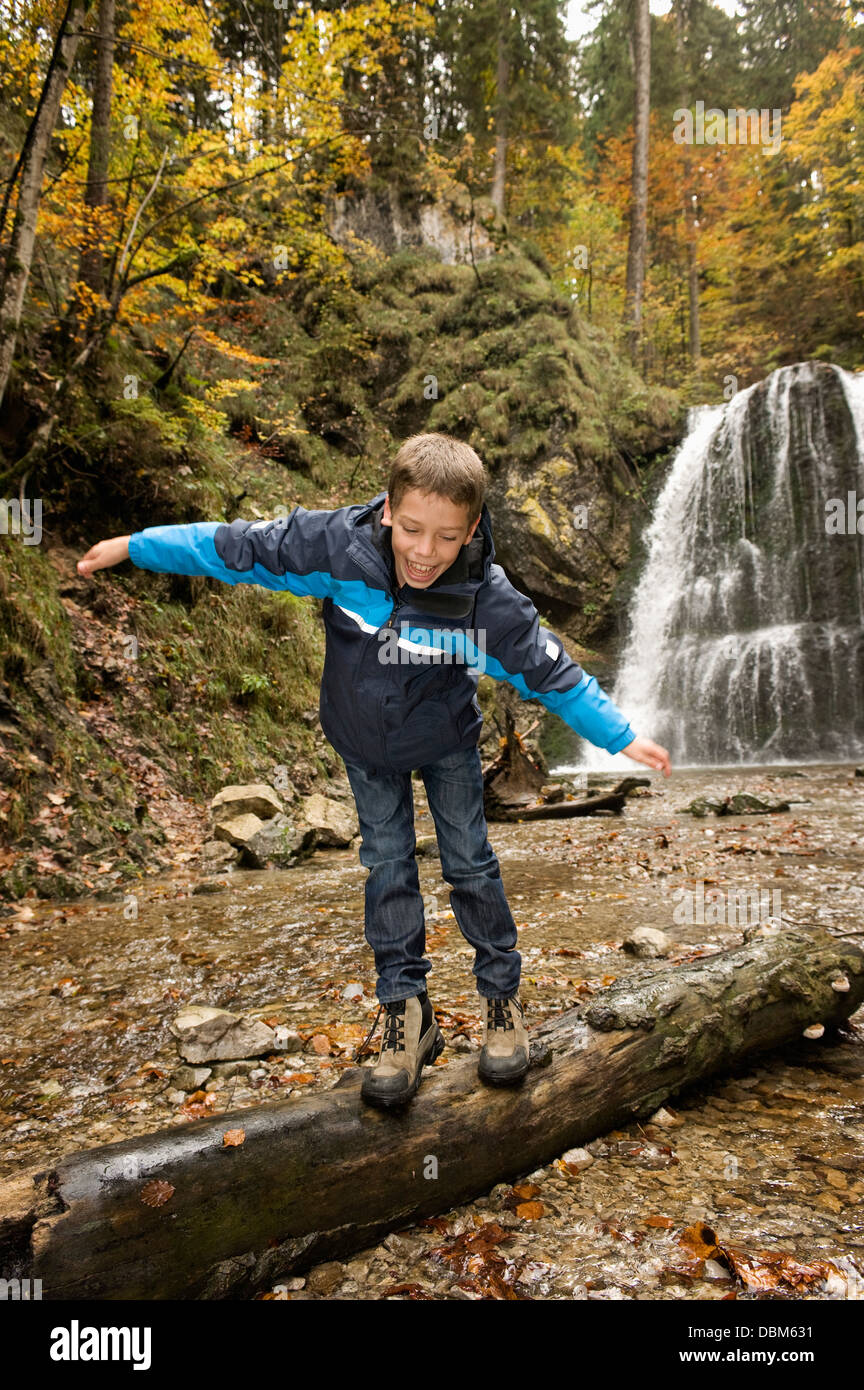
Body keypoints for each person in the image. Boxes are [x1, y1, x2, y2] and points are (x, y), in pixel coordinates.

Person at [77, 432, 671, 1110]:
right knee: (387, 865)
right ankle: (407, 1017)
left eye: (446, 538)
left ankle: (501, 1005)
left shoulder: (486, 601)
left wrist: (621, 737)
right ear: (387, 510)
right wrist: (136, 545)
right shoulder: (336, 547)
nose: (425, 552)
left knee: (470, 863)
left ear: (472, 530)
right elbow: (236, 547)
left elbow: (554, 674)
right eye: (412, 529)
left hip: (445, 739)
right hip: (363, 742)